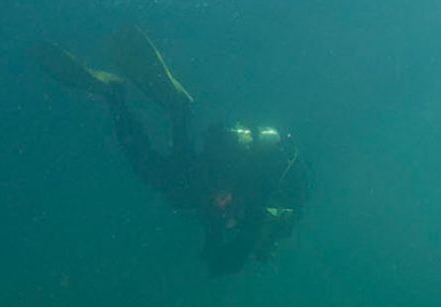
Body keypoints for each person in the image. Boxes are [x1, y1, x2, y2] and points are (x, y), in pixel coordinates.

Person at [34, 26, 305, 274]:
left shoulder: (252, 215)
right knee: (176, 183)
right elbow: (227, 259)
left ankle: (119, 97)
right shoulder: (263, 213)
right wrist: (231, 224)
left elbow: (215, 249)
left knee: (156, 173)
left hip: (205, 177)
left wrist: (217, 228)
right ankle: (170, 108)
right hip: (219, 168)